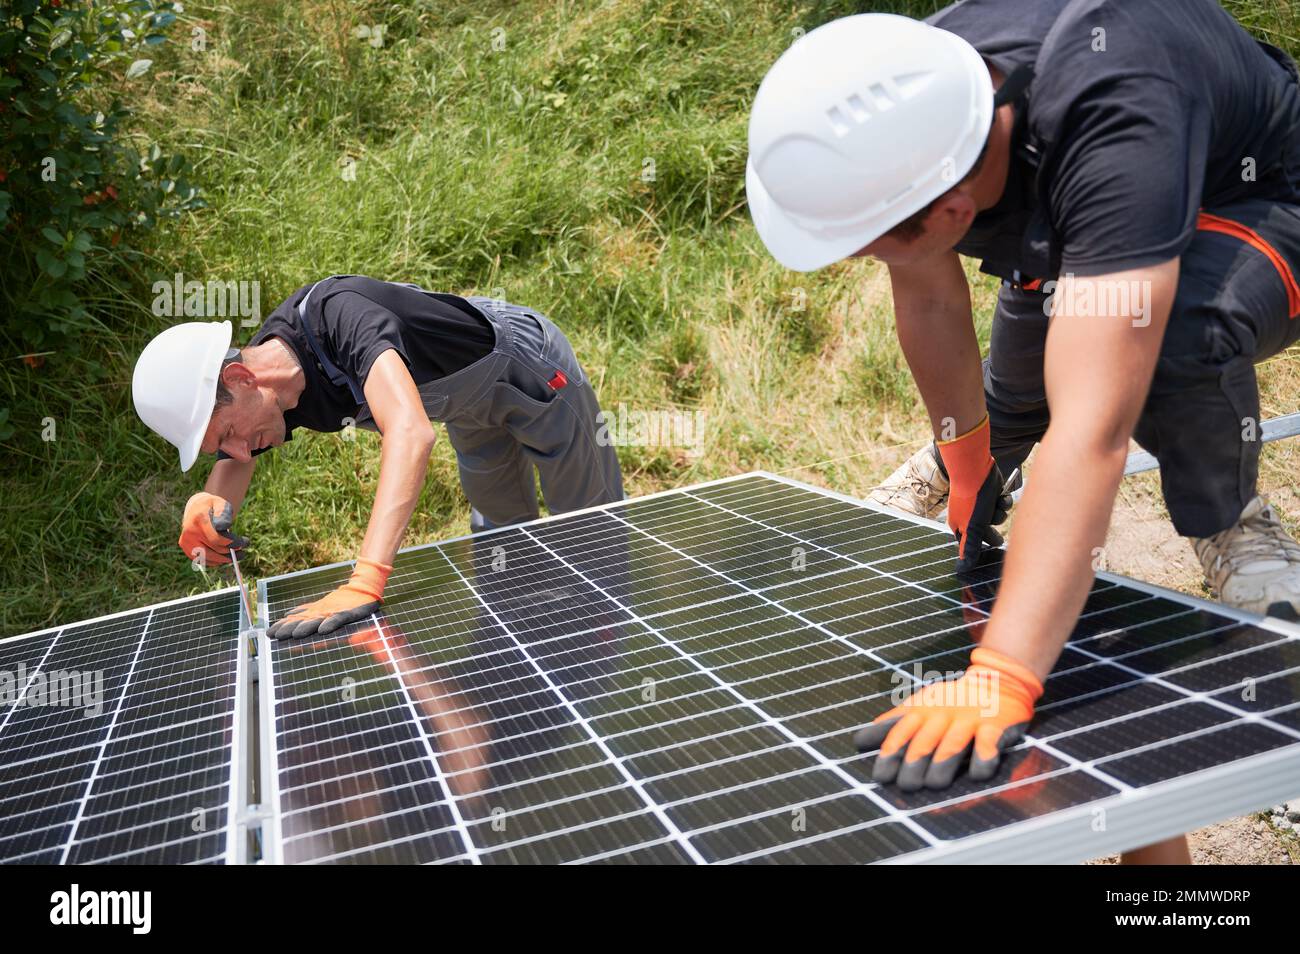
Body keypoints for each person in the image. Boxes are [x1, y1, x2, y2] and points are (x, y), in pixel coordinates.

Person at [745, 1, 1300, 861]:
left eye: (868, 246)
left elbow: (1094, 433)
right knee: (1015, 389)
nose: (862, 261)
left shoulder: (1115, 110)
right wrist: (968, 464)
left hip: (1260, 194)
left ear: (953, 210)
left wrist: (1000, 675)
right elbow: (925, 289)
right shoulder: (922, 95)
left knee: (1163, 343)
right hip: (1086, 189)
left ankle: (1229, 518)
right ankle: (965, 469)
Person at [132, 276, 623, 639]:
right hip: (469, 410)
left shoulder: (339, 318)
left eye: (230, 433)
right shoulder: (270, 392)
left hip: (528, 368)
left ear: (241, 378)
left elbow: (410, 432)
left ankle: (607, 647)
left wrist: (366, 579)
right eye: (222, 445)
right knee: (503, 543)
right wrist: (210, 503)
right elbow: (237, 461)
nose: (239, 449)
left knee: (588, 527)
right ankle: (527, 652)